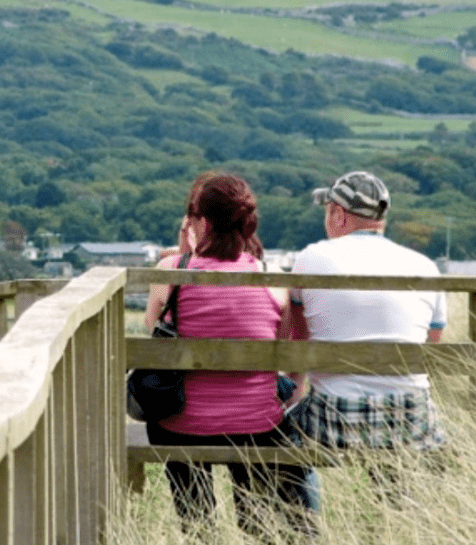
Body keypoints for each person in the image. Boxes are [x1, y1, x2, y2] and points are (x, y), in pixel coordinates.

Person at [144, 172, 317, 540]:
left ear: (200, 222)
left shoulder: (172, 272)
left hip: (182, 424)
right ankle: (253, 526)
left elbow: (152, 333)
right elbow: (282, 349)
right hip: (256, 425)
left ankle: (198, 528)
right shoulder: (271, 279)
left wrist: (185, 254)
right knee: (262, 425)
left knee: (174, 426)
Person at [288, 171, 447, 465]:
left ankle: (300, 512)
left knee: (282, 434)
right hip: (412, 415)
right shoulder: (425, 266)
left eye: (328, 211)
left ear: (338, 214)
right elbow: (430, 350)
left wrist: (293, 396)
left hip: (337, 414)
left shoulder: (310, 258)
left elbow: (300, 340)